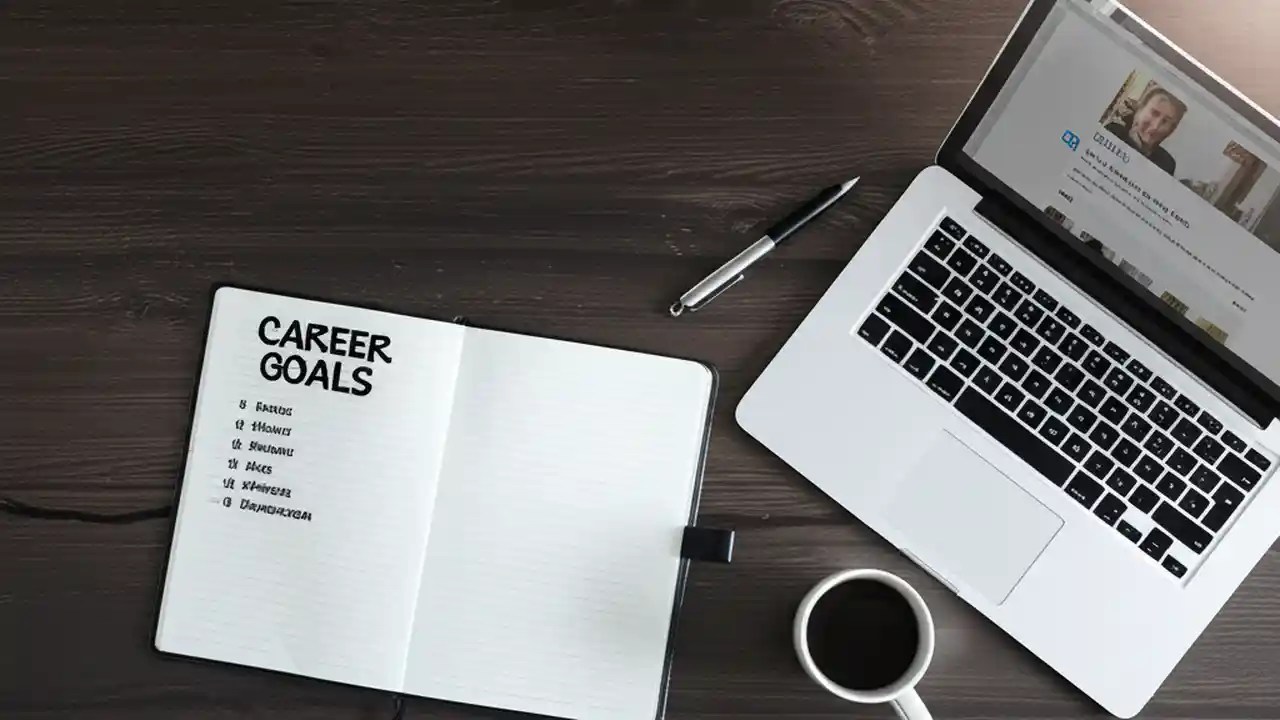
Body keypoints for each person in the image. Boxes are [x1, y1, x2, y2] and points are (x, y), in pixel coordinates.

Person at [1104, 86, 1187, 176]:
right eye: (1154, 113)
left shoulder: (1166, 164)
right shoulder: (1113, 132)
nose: (1155, 126)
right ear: (1140, 110)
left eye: (1165, 121)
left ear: (1172, 130)